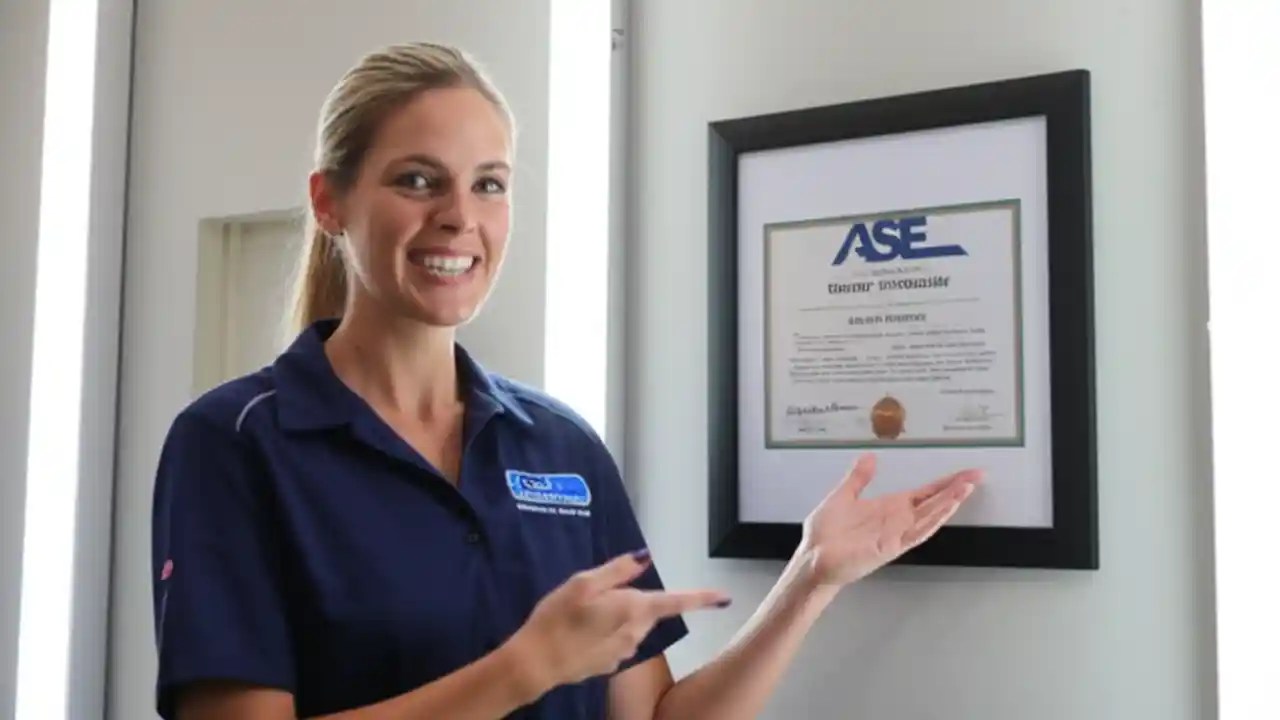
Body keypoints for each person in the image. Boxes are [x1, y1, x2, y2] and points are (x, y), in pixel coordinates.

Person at [149, 41, 982, 720]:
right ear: (329, 202)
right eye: (416, 180)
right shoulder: (236, 443)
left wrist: (808, 579)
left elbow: (654, 719)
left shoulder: (560, 445)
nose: (459, 217)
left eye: (489, 185)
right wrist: (526, 667)